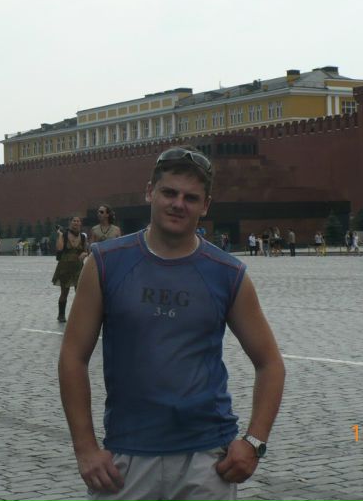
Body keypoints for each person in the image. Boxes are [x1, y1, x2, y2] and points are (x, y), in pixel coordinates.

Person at [58, 146, 285, 499]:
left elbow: (270, 363)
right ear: (150, 192)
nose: (178, 204)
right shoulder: (105, 263)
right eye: (169, 193)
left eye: (191, 198)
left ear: (205, 205)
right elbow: (72, 357)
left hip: (207, 461)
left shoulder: (227, 273)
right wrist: (85, 448)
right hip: (126, 458)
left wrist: (254, 442)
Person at [52, 216, 88, 322]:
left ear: (80, 223)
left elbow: (86, 250)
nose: (76, 223)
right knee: (64, 292)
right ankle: (61, 315)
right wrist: (60, 235)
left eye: (78, 221)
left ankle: (79, 314)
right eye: (74, 221)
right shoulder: (64, 234)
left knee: (79, 292)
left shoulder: (83, 237)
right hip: (65, 266)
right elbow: (59, 248)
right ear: (70, 223)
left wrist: (84, 254)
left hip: (78, 267)